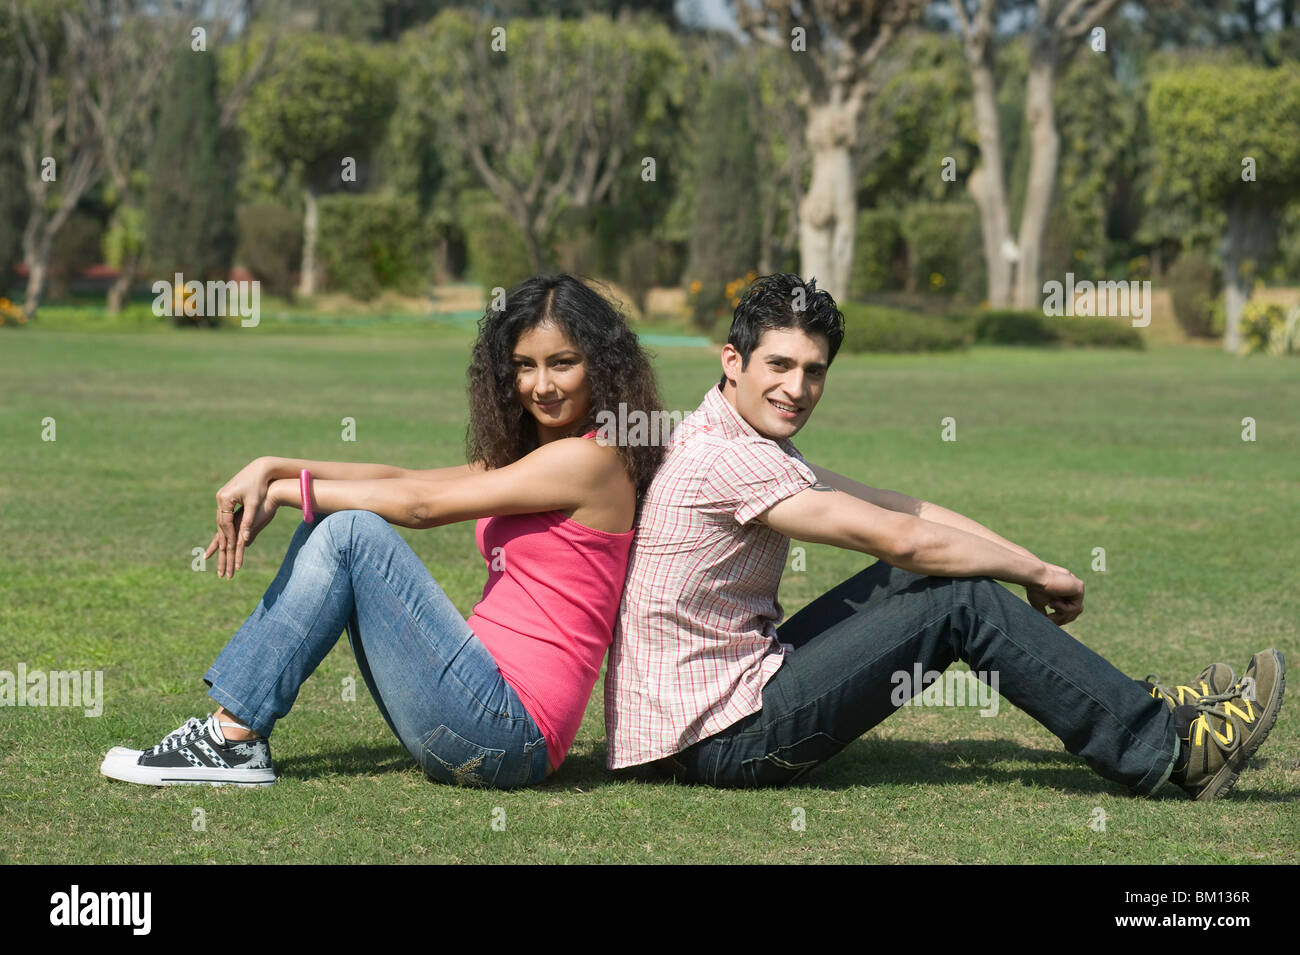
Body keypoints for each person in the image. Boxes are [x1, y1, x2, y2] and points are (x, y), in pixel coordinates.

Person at [604, 272, 1284, 801]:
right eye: (779, 365)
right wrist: (1037, 574)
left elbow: (902, 506)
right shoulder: (732, 457)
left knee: (918, 582)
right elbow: (903, 539)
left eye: (814, 370)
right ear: (734, 359)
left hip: (711, 707)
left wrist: (1031, 562)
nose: (797, 387)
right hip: (718, 740)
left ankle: (1147, 708)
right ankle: (1167, 748)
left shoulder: (732, 430)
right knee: (955, 602)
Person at [101, 274, 664, 789]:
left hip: (508, 733)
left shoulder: (591, 462)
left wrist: (285, 492)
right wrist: (273, 467)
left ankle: (231, 738)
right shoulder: (535, 459)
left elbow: (420, 507)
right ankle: (231, 736)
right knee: (342, 526)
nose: (541, 385)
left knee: (350, 534)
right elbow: (401, 477)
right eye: (523, 365)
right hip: (476, 703)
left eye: (562, 363)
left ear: (602, 366)